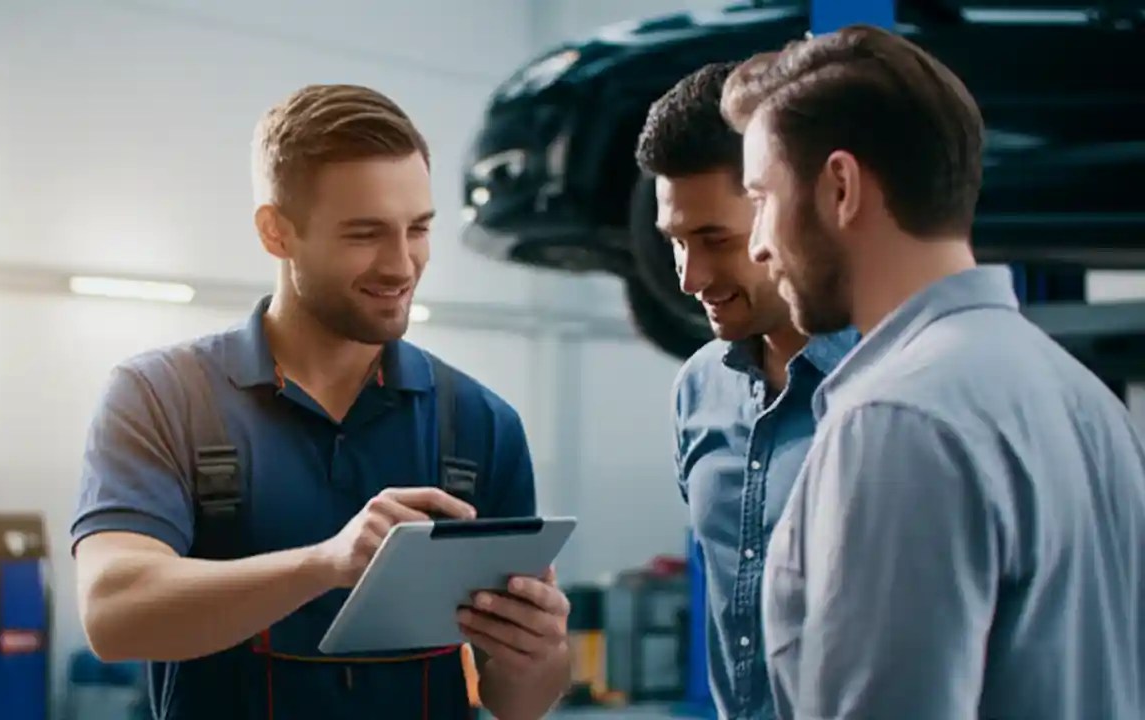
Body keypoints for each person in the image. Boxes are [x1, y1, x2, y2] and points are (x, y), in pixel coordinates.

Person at [70, 84, 573, 720]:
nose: (401, 265)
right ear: (276, 232)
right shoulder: (163, 398)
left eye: (417, 229)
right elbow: (114, 614)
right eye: (364, 234)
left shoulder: (479, 424)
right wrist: (326, 563)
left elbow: (514, 702)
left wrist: (542, 652)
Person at [720, 24, 1145, 720]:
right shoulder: (1090, 404)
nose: (759, 246)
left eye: (761, 198)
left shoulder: (896, 423)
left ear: (841, 187)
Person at [634, 63, 857, 720]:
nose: (688, 277)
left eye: (714, 240)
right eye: (674, 241)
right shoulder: (698, 389)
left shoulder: (895, 387)